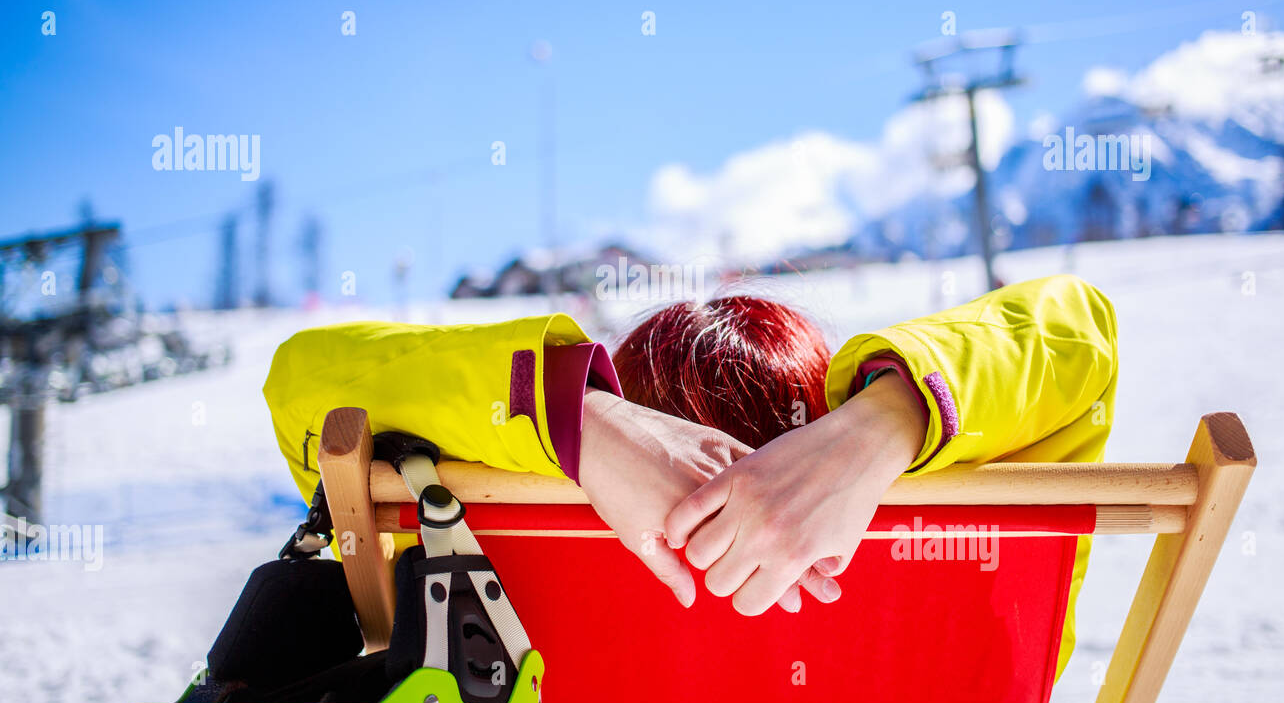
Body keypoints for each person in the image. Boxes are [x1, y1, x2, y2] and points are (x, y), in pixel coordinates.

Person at [263, 273, 1116, 681]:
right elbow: (1078, 332)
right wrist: (889, 424)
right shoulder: (947, 560)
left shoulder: (497, 545)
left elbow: (307, 381)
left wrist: (576, 420)